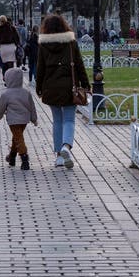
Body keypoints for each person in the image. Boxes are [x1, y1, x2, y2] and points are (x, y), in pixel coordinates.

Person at [36, 13, 90, 169]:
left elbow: (40, 68)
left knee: (57, 120)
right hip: (69, 87)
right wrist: (86, 84)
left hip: (51, 87)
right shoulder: (70, 42)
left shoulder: (43, 44)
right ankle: (66, 146)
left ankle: (59, 156)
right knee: (69, 119)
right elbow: (79, 64)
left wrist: (39, 87)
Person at [0, 66, 37, 170]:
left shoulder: (6, 94)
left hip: (13, 121)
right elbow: (32, 107)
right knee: (17, 137)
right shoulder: (26, 92)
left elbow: (0, 108)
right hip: (24, 120)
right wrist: (34, 119)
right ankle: (12, 156)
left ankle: (24, 157)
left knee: (18, 138)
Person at [0, 15, 19, 80]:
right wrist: (17, 45)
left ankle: (5, 77)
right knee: (11, 64)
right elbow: (16, 37)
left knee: (4, 64)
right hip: (11, 47)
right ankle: (11, 78)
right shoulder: (12, 27)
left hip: (3, 48)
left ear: (0, 21)